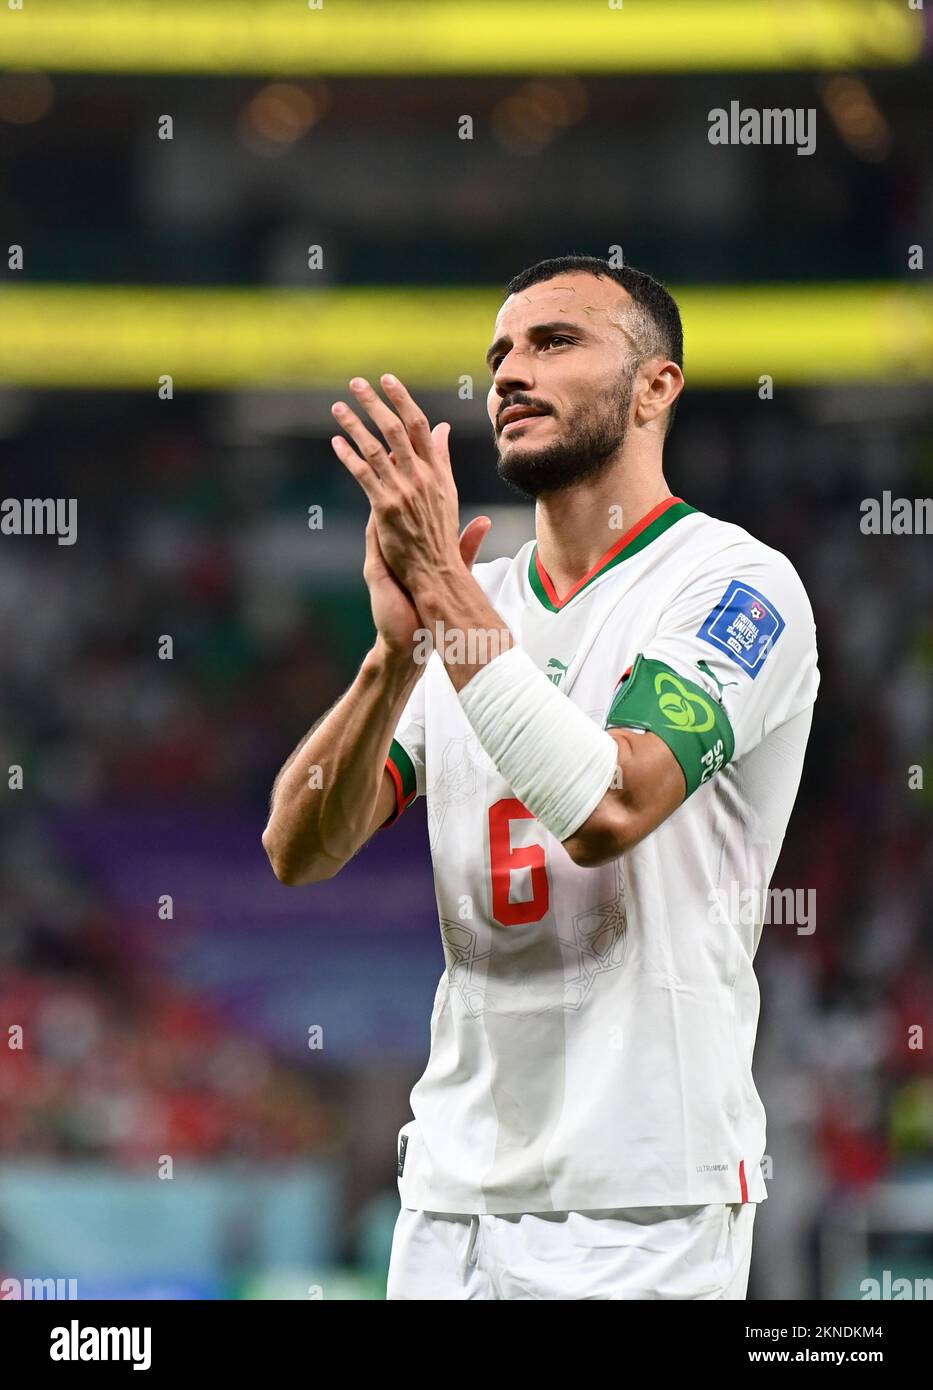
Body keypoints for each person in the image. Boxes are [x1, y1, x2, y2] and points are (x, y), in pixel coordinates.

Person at [262, 255, 819, 1300]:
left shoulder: (736, 585)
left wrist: (441, 593)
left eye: (554, 342)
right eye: (499, 354)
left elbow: (610, 807)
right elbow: (300, 847)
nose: (510, 372)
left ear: (657, 386)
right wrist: (391, 660)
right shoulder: (473, 600)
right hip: (448, 1193)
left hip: (643, 1201)